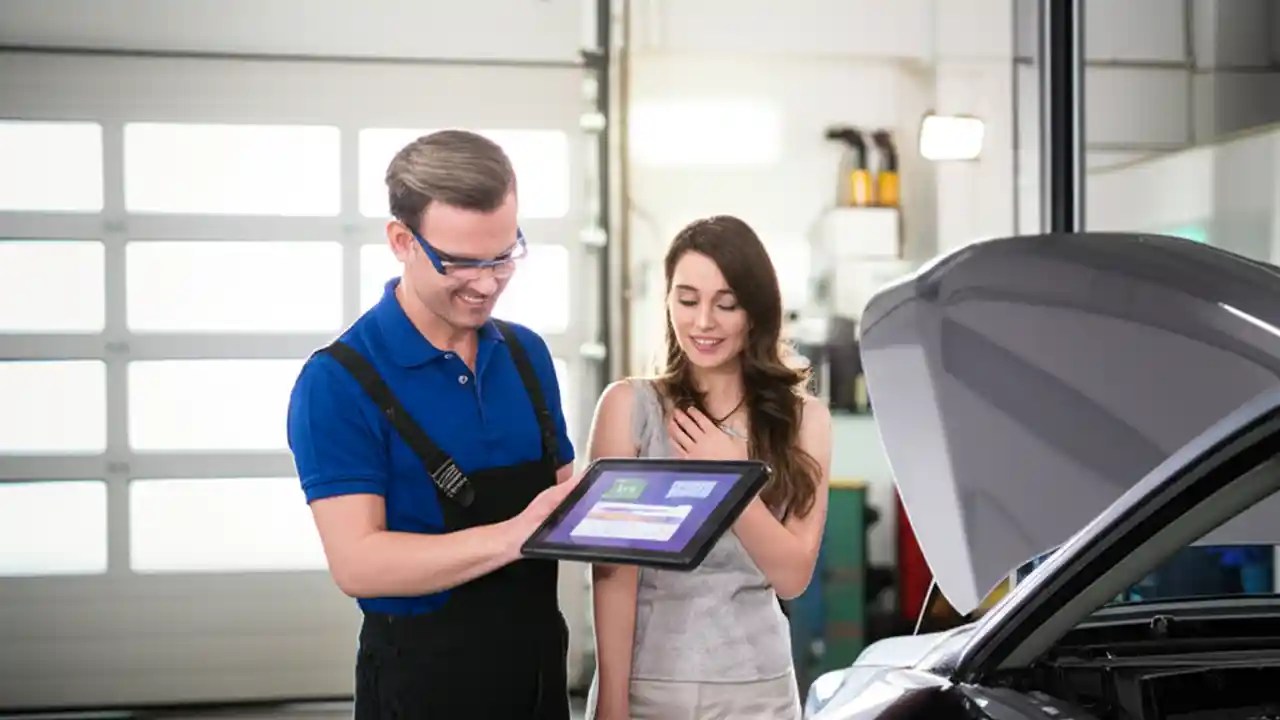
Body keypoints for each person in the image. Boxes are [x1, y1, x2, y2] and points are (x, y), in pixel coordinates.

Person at [286, 129, 580, 719]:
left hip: (539, 680)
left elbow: (562, 503)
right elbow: (358, 562)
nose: (487, 282)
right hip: (422, 689)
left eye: (503, 256)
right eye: (461, 262)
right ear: (402, 240)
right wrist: (512, 536)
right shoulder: (339, 382)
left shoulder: (526, 356)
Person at [585, 215, 834, 719]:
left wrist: (731, 477)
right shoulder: (628, 406)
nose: (703, 323)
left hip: (757, 690)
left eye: (727, 304)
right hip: (647, 684)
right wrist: (613, 702)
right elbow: (613, 572)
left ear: (756, 311)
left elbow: (792, 576)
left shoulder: (804, 419)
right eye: (687, 299)